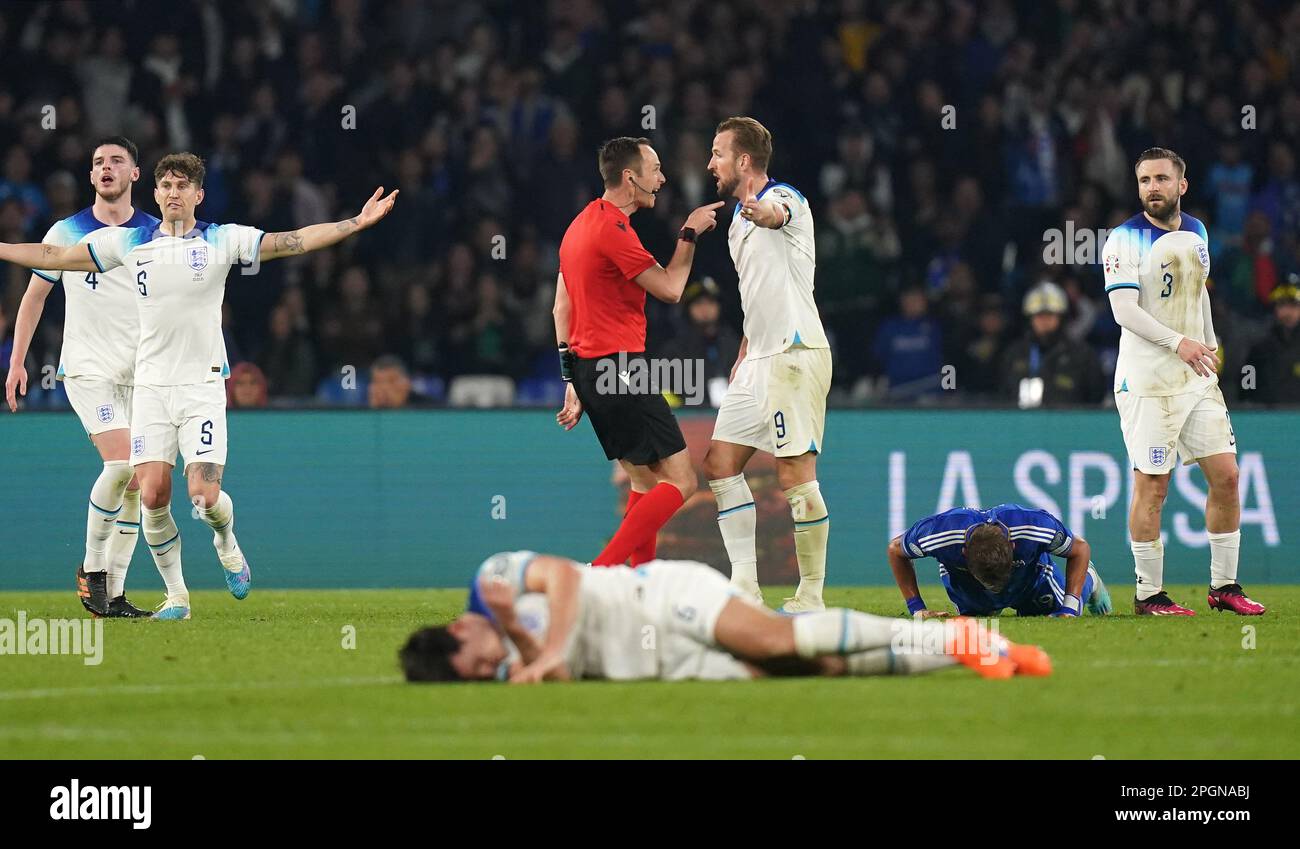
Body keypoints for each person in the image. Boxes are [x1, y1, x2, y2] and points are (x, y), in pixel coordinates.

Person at [0, 152, 398, 619]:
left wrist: (354, 222)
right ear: (156, 193)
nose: (173, 193)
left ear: (198, 194)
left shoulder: (222, 239)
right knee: (149, 494)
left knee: (204, 498)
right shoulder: (126, 242)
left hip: (202, 387)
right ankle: (178, 598)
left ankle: (226, 543)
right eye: (166, 185)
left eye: (182, 186)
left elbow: (292, 242)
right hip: (149, 387)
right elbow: (53, 256)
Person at [400, 551, 1053, 683]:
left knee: (774, 634)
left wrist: (534, 642)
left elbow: (566, 577)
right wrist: (527, 647)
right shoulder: (504, 655)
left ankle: (962, 632)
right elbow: (559, 673)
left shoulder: (491, 580)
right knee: (812, 666)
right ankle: (979, 649)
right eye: (483, 674)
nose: (492, 668)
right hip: (663, 664)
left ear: (461, 627)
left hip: (656, 597)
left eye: (481, 659)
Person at [1101, 147, 1264, 616]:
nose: (1152, 187)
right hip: (1147, 382)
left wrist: (1208, 344)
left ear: (1181, 185)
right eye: (1144, 180)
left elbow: (1198, 294)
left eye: (1161, 179)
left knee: (1228, 477)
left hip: (1195, 375)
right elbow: (1124, 311)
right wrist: (1180, 344)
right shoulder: (1122, 240)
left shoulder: (1197, 231)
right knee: (1153, 485)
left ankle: (1223, 588)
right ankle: (1149, 595)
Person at [5, 137, 159, 618]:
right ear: (92, 178)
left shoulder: (154, 234)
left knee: (138, 484)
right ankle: (92, 571)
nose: (106, 167)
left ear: (135, 174)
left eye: (116, 160)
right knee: (122, 466)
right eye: (97, 163)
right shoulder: (66, 230)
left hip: (142, 374)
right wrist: (16, 361)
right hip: (87, 369)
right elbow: (34, 297)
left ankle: (113, 593)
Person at [553, 136, 724, 568]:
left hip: (591, 373)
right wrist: (689, 233)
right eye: (656, 170)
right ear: (630, 177)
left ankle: (637, 584)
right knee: (683, 481)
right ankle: (600, 571)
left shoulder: (578, 225)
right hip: (621, 369)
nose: (662, 178)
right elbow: (670, 289)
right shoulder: (612, 230)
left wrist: (570, 380)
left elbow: (561, 308)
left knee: (644, 482)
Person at [702, 117, 834, 613]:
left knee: (795, 474)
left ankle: (811, 595)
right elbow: (757, 292)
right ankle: (745, 586)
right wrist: (744, 346)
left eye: (717, 153)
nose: (710, 163)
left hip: (794, 353)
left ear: (743, 160)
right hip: (757, 355)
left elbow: (777, 214)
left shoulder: (787, 200)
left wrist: (765, 213)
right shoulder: (736, 221)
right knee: (718, 462)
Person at [888, 503, 1112, 618]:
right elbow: (895, 550)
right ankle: (983, 603)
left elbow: (1080, 549)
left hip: (1029, 579)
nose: (997, 590)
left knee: (1058, 611)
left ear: (1013, 546)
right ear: (964, 553)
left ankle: (1090, 579)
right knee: (976, 623)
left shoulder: (1034, 526)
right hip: (968, 585)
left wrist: (1070, 608)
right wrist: (917, 608)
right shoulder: (938, 533)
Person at [1000, 281, 1105, 408]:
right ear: (1030, 318)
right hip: (1020, 424)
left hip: (1069, 425)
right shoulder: (1014, 353)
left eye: (1049, 315)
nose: (1044, 321)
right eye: (1039, 315)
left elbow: (1096, 399)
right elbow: (1001, 396)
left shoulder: (1083, 355)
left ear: (1061, 317)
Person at [1245, 280, 1300, 405]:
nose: (1287, 312)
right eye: (1282, 305)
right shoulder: (1261, 343)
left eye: (1294, 305)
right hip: (1269, 416)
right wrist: (1248, 404)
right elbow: (1247, 378)